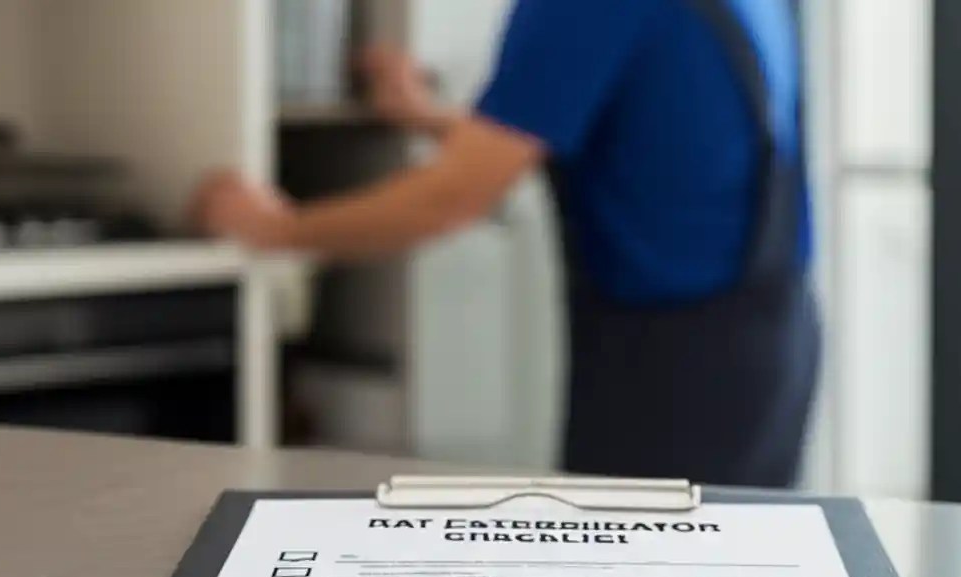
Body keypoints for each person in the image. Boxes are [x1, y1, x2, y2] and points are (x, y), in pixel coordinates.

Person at [196, 0, 818, 488]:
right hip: (773, 332)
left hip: (674, 365)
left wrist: (276, 229)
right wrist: (430, 116)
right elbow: (649, 126)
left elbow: (454, 197)